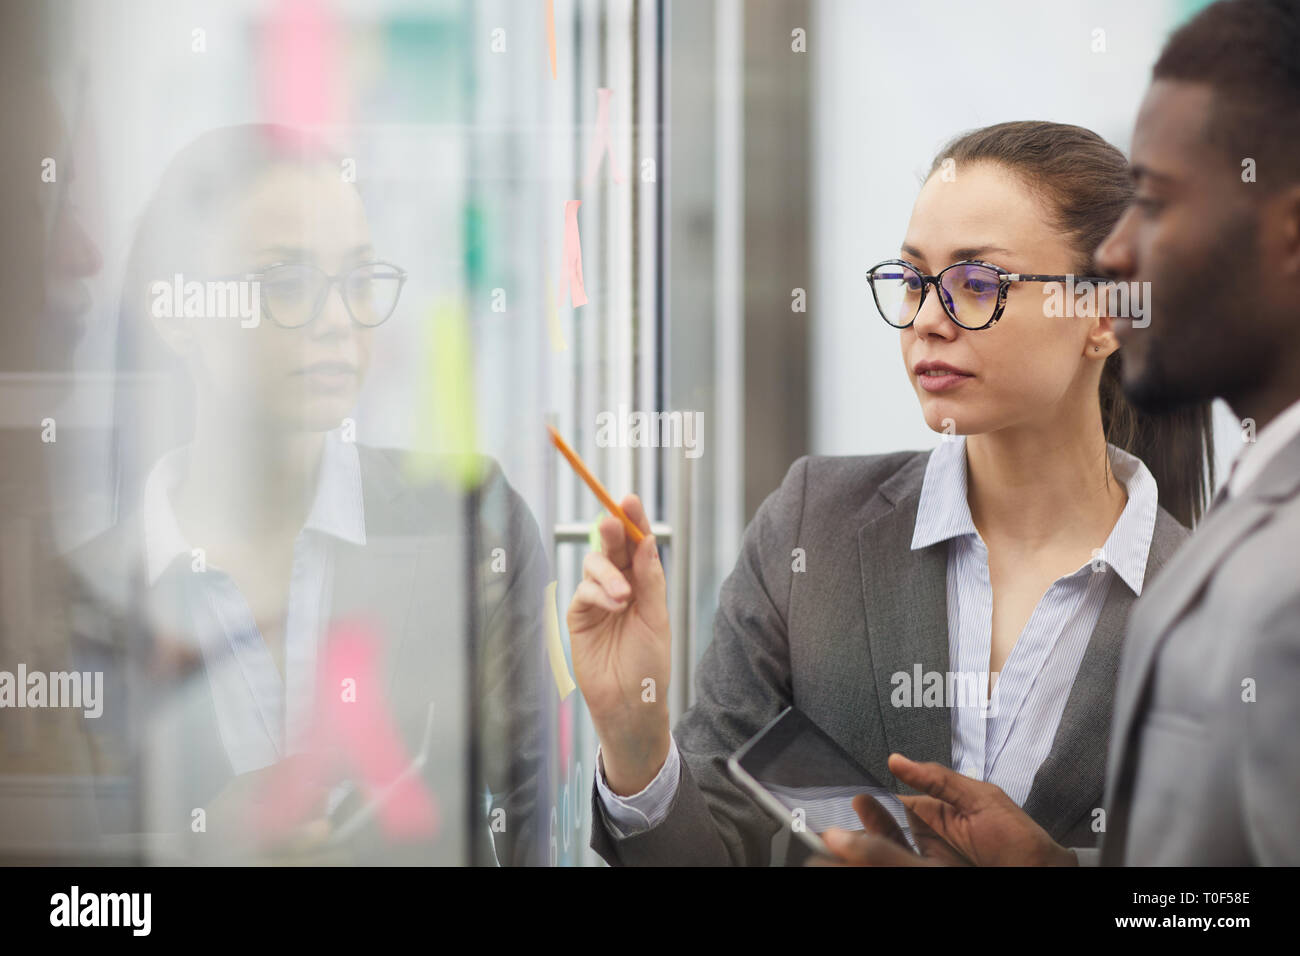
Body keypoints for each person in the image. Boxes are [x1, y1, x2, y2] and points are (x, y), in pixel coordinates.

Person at [568, 120, 1214, 865]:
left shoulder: (1206, 606)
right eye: (913, 281)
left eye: (978, 285)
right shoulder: (814, 527)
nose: (929, 322)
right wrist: (635, 741)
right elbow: (712, 850)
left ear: (1102, 316)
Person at [826, 0, 1300, 868]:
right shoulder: (1251, 518)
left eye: (977, 281)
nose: (1124, 257)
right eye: (912, 278)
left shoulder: (1232, 559)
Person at [60, 125, 551, 865]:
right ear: (177, 310)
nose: (337, 320)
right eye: (285, 283)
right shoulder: (80, 605)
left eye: (357, 282)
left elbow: (530, 824)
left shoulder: (470, 525)